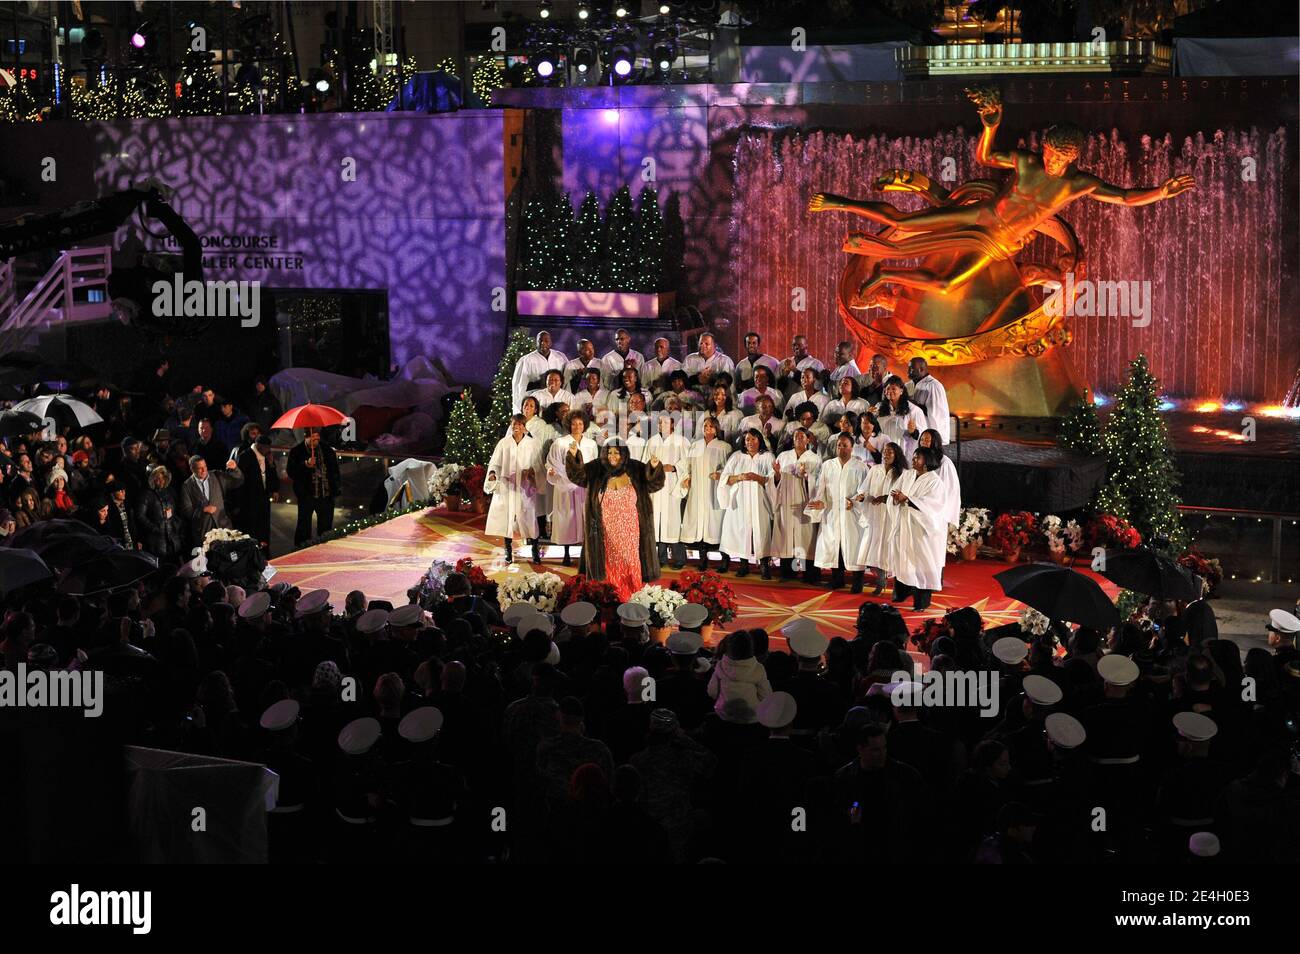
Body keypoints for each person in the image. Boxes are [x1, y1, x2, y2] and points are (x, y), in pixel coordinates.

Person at [565, 439, 665, 601]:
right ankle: (610, 599)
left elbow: (653, 484)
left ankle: (633, 597)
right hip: (605, 529)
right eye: (609, 452)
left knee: (630, 561)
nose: (612, 456)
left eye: (616, 452)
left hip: (631, 529)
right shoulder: (596, 468)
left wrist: (654, 467)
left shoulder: (635, 468)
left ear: (623, 454)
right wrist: (574, 456)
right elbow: (578, 476)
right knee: (608, 565)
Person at [809, 433, 869, 591]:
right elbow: (820, 488)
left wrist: (854, 501)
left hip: (852, 514)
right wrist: (820, 501)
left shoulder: (860, 467)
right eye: (839, 445)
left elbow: (865, 491)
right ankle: (837, 579)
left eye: (845, 445)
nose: (841, 448)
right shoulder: (828, 465)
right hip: (832, 512)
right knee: (834, 546)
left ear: (851, 448)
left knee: (854, 546)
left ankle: (858, 582)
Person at [890, 447, 947, 610]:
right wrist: (895, 498)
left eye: (918, 458)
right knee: (903, 560)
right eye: (913, 457)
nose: (913, 460)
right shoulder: (907, 474)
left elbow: (933, 505)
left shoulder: (935, 482)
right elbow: (895, 491)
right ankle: (901, 593)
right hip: (905, 524)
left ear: (927, 461)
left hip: (922, 529)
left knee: (922, 563)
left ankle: (921, 601)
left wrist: (907, 499)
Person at [717, 429, 776, 579]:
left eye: (753, 439)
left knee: (761, 531)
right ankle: (743, 565)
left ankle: (764, 565)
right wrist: (739, 477)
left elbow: (773, 479)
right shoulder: (737, 457)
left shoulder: (767, 457)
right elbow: (725, 479)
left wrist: (758, 478)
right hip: (740, 501)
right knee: (740, 530)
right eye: (747, 439)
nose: (750, 442)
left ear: (759, 440)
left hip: (759, 500)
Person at [486, 414, 541, 566]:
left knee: (529, 518)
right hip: (507, 487)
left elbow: (539, 465)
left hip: (525, 488)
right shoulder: (503, 443)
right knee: (507, 518)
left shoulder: (533, 444)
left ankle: (535, 550)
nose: (516, 427)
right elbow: (494, 464)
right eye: (514, 424)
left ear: (524, 427)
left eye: (519, 424)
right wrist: (492, 474)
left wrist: (531, 472)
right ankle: (508, 549)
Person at [546, 409, 598, 567]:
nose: (577, 426)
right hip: (565, 487)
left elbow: (595, 465)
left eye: (580, 423)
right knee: (566, 520)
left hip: (584, 487)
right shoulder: (560, 443)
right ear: (569, 425)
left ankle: (586, 554)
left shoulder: (591, 444)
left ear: (585, 425)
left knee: (585, 520)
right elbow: (552, 462)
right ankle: (566, 553)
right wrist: (562, 474)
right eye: (574, 423)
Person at [679, 416, 731, 573]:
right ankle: (703, 559)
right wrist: (687, 478)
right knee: (699, 526)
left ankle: (724, 560)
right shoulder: (695, 446)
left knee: (717, 525)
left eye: (710, 426)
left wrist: (720, 474)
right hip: (698, 490)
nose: (707, 428)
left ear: (716, 429)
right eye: (705, 425)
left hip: (714, 490)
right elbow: (687, 466)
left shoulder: (724, 447)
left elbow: (729, 468)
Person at [857, 442, 907, 596]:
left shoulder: (902, 473)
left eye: (890, 452)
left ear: (896, 454)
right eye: (884, 452)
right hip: (876, 515)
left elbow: (903, 493)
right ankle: (880, 581)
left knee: (889, 550)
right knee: (873, 551)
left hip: (892, 517)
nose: (886, 455)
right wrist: (862, 495)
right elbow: (864, 487)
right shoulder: (875, 470)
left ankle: (896, 587)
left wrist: (886, 498)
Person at [771, 427, 821, 582]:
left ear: (808, 439)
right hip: (786, 502)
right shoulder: (784, 456)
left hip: (804, 502)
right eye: (796, 436)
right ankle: (789, 572)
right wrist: (778, 474)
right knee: (789, 540)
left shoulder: (814, 458)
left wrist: (806, 475)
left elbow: (819, 481)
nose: (799, 438)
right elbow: (775, 480)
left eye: (802, 436)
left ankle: (809, 574)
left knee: (806, 540)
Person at [645, 412, 690, 569]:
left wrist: (674, 467)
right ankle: (661, 558)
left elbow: (687, 461)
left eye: (665, 422)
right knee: (658, 521)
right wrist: (652, 468)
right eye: (659, 422)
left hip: (672, 484)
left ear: (672, 424)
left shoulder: (681, 441)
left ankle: (679, 559)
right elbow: (645, 463)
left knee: (673, 521)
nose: (661, 425)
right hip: (657, 487)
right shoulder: (652, 441)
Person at [286, 429, 339, 546]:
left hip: (325, 495)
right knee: (304, 527)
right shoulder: (296, 451)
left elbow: (335, 471)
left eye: (317, 437)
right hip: (307, 496)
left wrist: (335, 490)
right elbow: (291, 472)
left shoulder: (327, 450)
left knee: (325, 527)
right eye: (313, 437)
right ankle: (301, 549)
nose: (316, 440)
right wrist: (305, 465)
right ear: (306, 437)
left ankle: (324, 548)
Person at [180, 453, 244, 543]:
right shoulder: (187, 486)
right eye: (199, 468)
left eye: (205, 466)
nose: (204, 470)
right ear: (192, 469)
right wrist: (203, 510)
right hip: (204, 533)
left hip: (224, 527)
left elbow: (238, 481)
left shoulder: (217, 476)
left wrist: (235, 469)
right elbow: (187, 511)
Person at [236, 424, 280, 551]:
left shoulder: (267, 456)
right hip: (250, 498)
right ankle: (252, 551)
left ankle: (264, 549)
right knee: (252, 527)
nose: (268, 450)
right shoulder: (245, 456)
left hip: (263, 497)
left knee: (264, 525)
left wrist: (274, 489)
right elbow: (240, 481)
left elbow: (272, 474)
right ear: (260, 446)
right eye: (266, 448)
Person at [136, 464, 185, 563]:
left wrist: (176, 523)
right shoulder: (145, 494)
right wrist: (155, 528)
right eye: (157, 478)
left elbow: (177, 509)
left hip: (172, 536)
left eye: (162, 477)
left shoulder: (170, 491)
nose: (161, 480)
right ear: (151, 479)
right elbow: (140, 516)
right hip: (156, 540)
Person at [512, 331, 568, 412]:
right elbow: (519, 386)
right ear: (536, 342)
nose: (543, 343)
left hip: (557, 400)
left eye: (546, 341)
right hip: (536, 400)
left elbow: (566, 379)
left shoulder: (560, 357)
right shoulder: (526, 360)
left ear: (551, 342)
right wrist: (521, 408)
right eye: (540, 341)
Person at [918, 427, 961, 532]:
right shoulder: (918, 460)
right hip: (920, 509)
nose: (923, 443)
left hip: (937, 513)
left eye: (927, 440)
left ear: (935, 443)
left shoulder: (944, 463)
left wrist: (946, 517)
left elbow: (950, 491)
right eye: (922, 440)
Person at [875, 376, 925, 461]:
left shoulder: (914, 410)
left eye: (894, 389)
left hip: (905, 455)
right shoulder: (879, 408)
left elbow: (922, 436)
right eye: (887, 389)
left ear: (901, 391)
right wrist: (869, 415)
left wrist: (913, 432)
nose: (890, 391)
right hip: (886, 454)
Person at [908, 358, 952, 442]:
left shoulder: (934, 386)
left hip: (929, 437)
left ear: (921, 369)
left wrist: (913, 405)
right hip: (914, 435)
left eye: (911, 369)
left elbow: (936, 415)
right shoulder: (908, 385)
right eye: (908, 368)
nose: (908, 371)